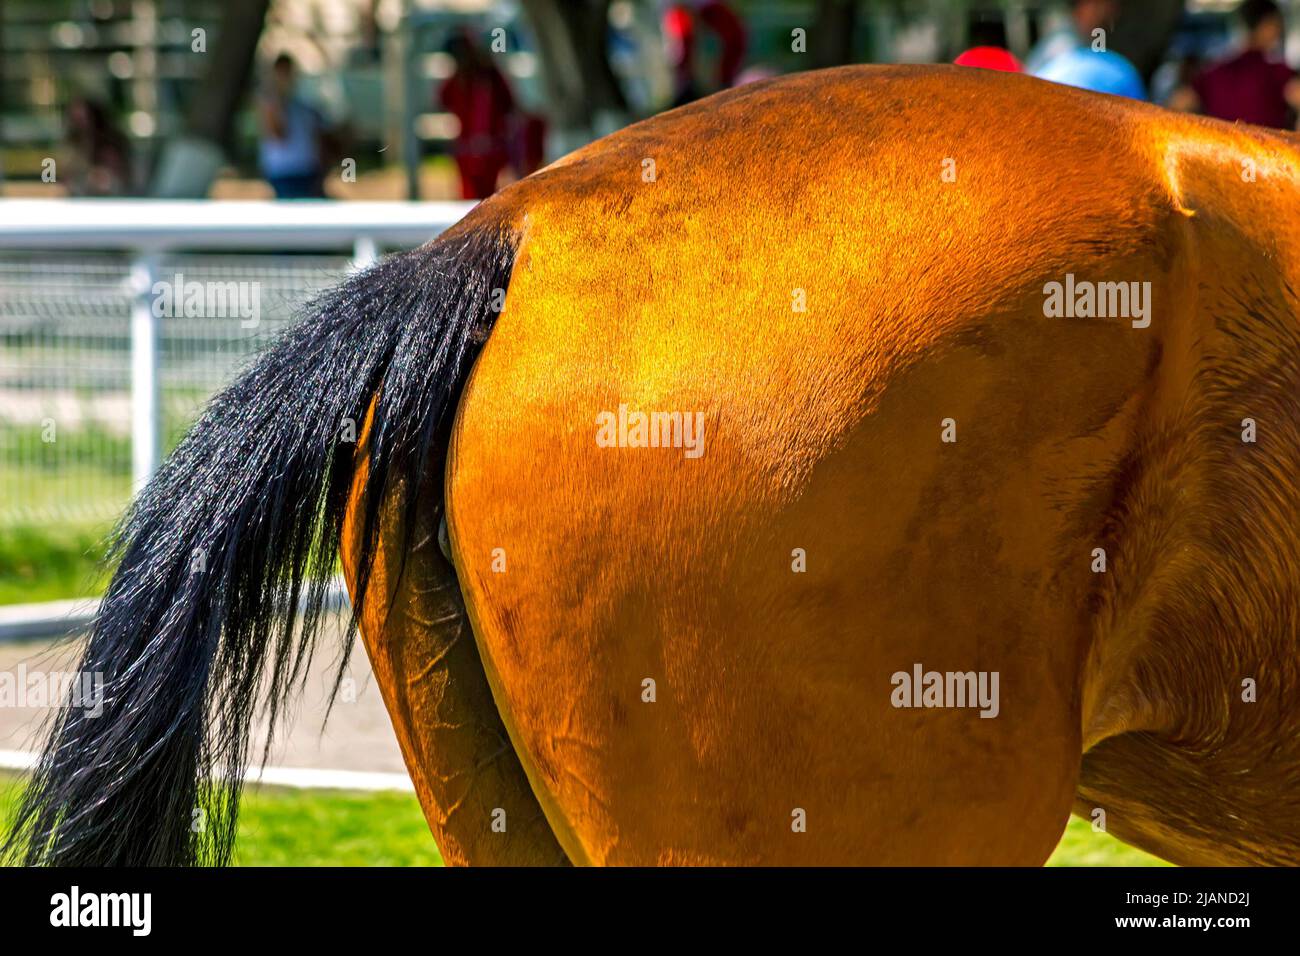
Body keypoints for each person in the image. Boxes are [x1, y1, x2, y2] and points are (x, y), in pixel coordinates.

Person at [1172, 0, 1300, 129]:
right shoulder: (1278, 73)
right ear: (1267, 25)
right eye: (1277, 24)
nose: (1279, 31)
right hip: (1266, 148)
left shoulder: (1213, 72)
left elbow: (1178, 104)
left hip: (1218, 146)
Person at [439, 31, 516, 200]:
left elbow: (509, 104)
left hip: (491, 151)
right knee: (469, 201)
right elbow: (443, 99)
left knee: (493, 199)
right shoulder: (457, 81)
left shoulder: (491, 77)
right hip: (468, 151)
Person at [1025, 0, 1146, 99]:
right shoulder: (1064, 46)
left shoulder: (1070, 40)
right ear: (1090, 4)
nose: (1113, 12)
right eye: (1108, 4)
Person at [258, 54, 328, 199]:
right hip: (284, 172)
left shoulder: (305, 102)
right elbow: (278, 134)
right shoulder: (270, 103)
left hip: (308, 170)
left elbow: (320, 134)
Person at [61, 97, 132, 196]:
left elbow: (117, 180)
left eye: (82, 119)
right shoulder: (73, 145)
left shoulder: (110, 144)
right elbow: (67, 177)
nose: (79, 125)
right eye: (75, 120)